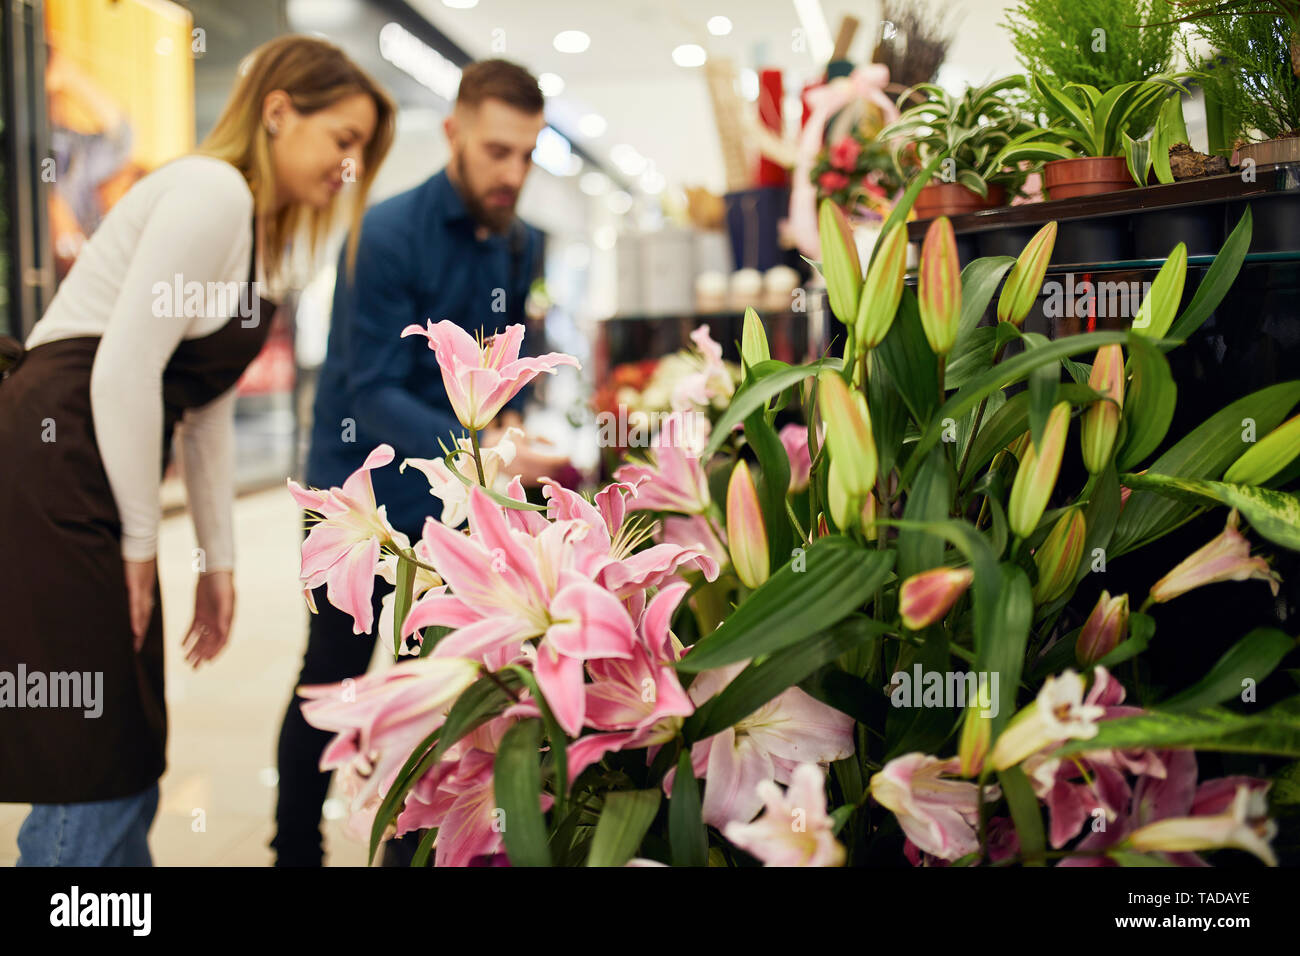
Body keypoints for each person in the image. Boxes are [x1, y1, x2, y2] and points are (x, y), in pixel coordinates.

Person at [0, 35, 395, 866]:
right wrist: (145, 543)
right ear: (280, 112)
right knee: (94, 745)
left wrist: (218, 562)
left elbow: (203, 409)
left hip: (90, 458)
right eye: (344, 139)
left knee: (124, 734)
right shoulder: (213, 190)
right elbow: (123, 366)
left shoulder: (251, 231)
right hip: (62, 450)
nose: (349, 166)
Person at [272, 58, 572, 866]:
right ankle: (293, 849)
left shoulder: (522, 241)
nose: (513, 174)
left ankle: (411, 853)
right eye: (497, 151)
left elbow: (502, 369)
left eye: (528, 153)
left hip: (452, 505)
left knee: (438, 703)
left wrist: (512, 437)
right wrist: (493, 449)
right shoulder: (386, 232)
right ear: (454, 133)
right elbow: (374, 394)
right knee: (328, 686)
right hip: (356, 494)